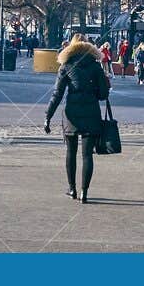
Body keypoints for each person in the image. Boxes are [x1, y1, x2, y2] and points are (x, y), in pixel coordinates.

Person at [43, 35, 111, 203]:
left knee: (70, 152)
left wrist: (48, 116)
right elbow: (103, 95)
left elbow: (57, 94)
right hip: (91, 111)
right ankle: (84, 192)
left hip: (71, 112)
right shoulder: (96, 66)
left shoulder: (66, 65)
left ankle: (72, 188)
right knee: (87, 155)